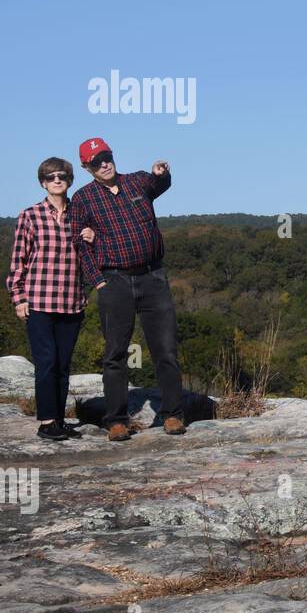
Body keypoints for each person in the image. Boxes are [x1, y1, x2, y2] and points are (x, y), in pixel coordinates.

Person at [69, 137, 186, 441]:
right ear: (86, 167)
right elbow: (79, 244)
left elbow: (159, 185)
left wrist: (161, 173)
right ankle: (116, 420)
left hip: (152, 278)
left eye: (106, 157)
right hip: (115, 281)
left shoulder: (137, 181)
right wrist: (98, 280)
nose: (104, 163)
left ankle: (173, 414)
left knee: (166, 349)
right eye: (96, 161)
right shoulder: (84, 198)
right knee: (115, 354)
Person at [7, 158, 92, 441]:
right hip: (39, 302)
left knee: (64, 365)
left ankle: (59, 419)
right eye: (51, 177)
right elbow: (18, 261)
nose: (57, 180)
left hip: (71, 301)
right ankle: (46, 422)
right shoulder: (29, 216)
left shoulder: (80, 216)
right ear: (43, 182)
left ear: (69, 180)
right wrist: (18, 297)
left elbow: (92, 257)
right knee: (47, 362)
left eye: (62, 176)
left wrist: (93, 236)